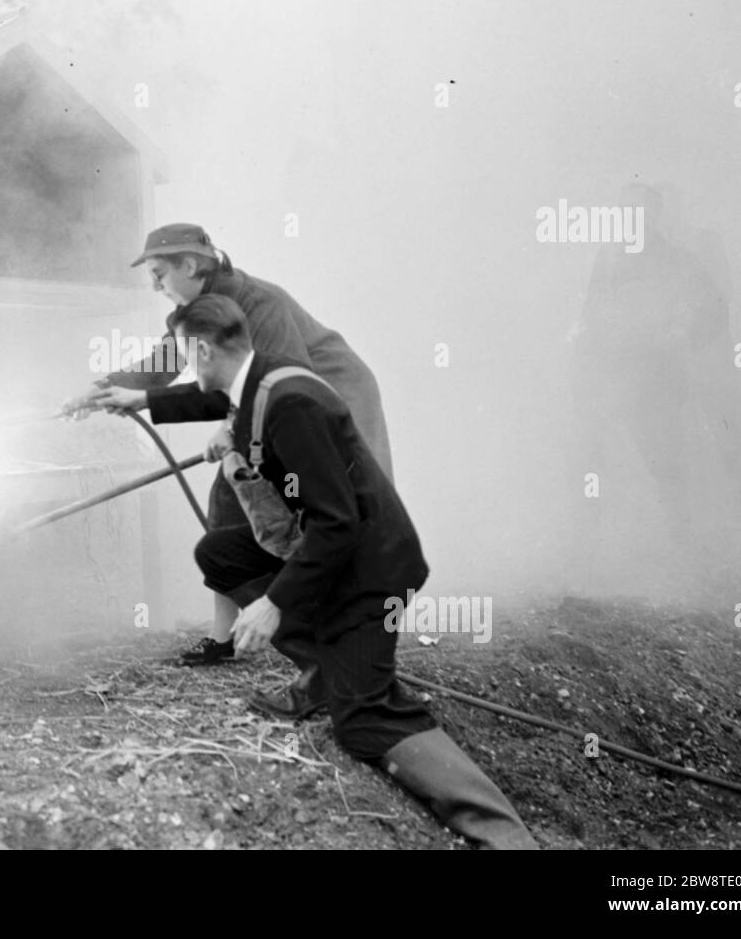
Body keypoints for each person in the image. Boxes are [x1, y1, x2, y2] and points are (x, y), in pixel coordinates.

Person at [149, 292, 538, 849]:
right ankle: (325, 667)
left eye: (188, 357)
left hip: (369, 569)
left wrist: (274, 602)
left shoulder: (289, 405)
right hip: (336, 552)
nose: (189, 368)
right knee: (221, 553)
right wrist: (195, 426)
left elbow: (338, 524)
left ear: (205, 351)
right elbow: (240, 428)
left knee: (364, 718)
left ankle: (506, 837)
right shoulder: (264, 380)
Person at [66, 222, 393, 672]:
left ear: (190, 264)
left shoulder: (261, 305)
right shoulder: (196, 310)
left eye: (159, 272)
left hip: (332, 397)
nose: (154, 284)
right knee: (229, 497)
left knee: (323, 511)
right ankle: (224, 639)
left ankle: (342, 635)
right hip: (275, 402)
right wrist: (105, 387)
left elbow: (284, 385)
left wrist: (191, 414)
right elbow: (165, 365)